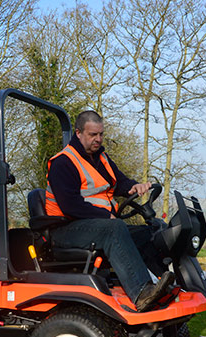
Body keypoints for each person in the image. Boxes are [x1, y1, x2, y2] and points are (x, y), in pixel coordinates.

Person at [45, 110, 175, 312]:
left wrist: (133, 187)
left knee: (152, 231)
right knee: (114, 228)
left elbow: (119, 182)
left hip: (96, 226)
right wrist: (106, 215)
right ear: (78, 133)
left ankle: (170, 286)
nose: (98, 139)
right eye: (93, 135)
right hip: (65, 230)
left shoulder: (101, 157)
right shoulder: (63, 162)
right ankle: (141, 292)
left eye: (101, 134)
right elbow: (70, 205)